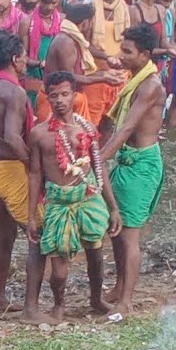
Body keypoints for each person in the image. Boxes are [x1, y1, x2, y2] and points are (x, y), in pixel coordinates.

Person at [27, 72, 123, 321]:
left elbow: (99, 167)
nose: (59, 100)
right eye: (54, 95)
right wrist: (31, 216)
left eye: (65, 94)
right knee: (58, 269)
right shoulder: (39, 133)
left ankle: (95, 298)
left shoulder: (87, 128)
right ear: (47, 97)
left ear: (75, 96)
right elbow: (35, 174)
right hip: (59, 201)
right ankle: (59, 304)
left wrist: (113, 208)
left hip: (87, 195)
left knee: (95, 252)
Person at [101, 25, 166, 316]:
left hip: (141, 165)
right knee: (115, 230)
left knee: (129, 235)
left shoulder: (150, 85)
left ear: (145, 54)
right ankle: (118, 286)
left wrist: (97, 159)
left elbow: (126, 128)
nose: (121, 56)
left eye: (127, 51)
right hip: (127, 161)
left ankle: (126, 300)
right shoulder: (134, 81)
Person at [0, 30, 42, 318]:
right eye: (24, 57)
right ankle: (32, 307)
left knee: (5, 236)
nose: (27, 62)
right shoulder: (16, 91)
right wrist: (35, 166)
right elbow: (12, 136)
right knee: (37, 234)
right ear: (16, 59)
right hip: (10, 170)